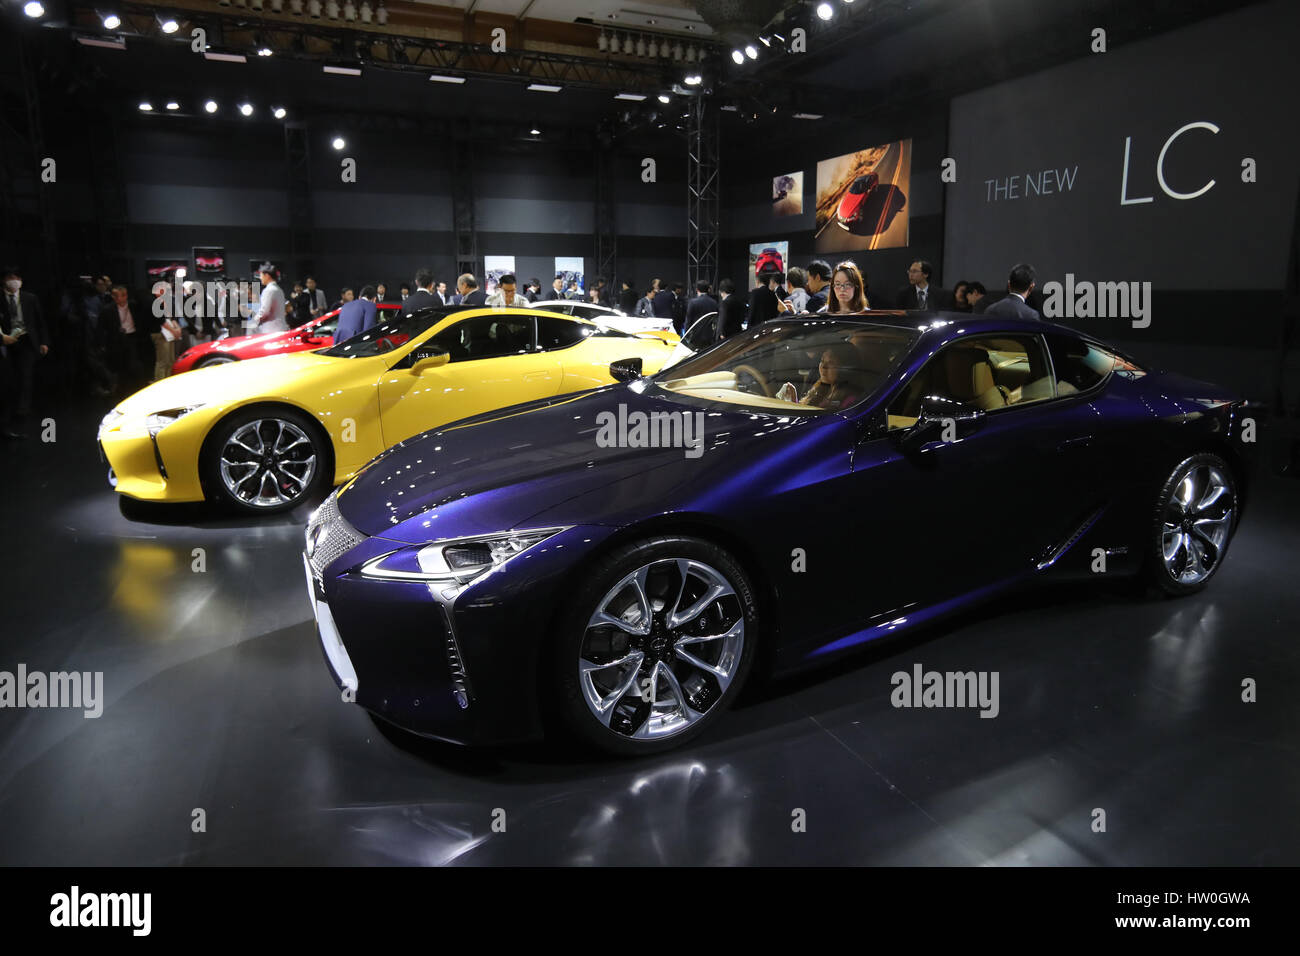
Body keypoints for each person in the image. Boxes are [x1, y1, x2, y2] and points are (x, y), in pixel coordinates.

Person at [0, 267, 50, 439]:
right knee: (10, 378)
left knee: (26, 376)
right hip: (6, 342)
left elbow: (39, 320)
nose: (13, 281)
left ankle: (22, 410)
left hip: (27, 341)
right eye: (10, 278)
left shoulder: (30, 298)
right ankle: (11, 411)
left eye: (16, 278)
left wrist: (44, 341)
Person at [793, 342, 864, 411]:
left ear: (844, 368)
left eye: (830, 362)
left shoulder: (851, 401)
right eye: (822, 360)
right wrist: (793, 401)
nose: (823, 366)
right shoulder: (819, 388)